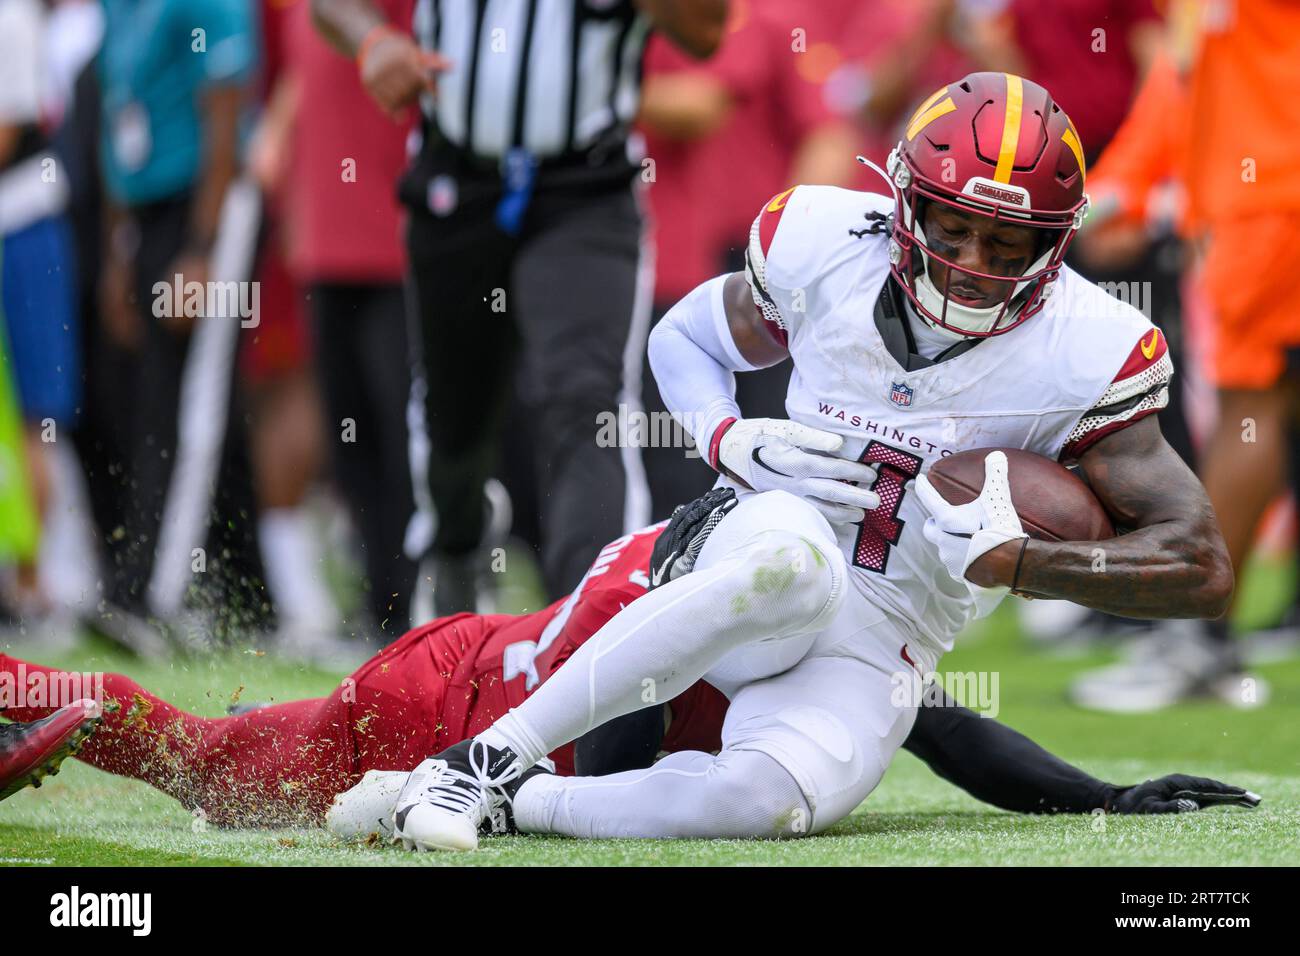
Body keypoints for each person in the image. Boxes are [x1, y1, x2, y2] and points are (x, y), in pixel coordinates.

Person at [384, 72, 1232, 851]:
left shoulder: (1090, 347)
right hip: (754, 538)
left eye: (1010, 245)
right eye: (956, 229)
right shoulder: (827, 244)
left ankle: (518, 802)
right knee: (793, 567)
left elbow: (1200, 566)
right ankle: (483, 760)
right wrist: (727, 437)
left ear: (1055, 243)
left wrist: (1032, 564)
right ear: (904, 202)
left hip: (884, 629)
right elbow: (683, 335)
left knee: (760, 802)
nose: (975, 266)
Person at [0, 503, 1257, 826]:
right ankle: (54, 696)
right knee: (223, 779)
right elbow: (617, 722)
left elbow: (933, 720)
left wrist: (1101, 797)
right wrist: (525, 810)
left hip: (470, 674)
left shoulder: (776, 563)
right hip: (444, 707)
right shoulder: (723, 578)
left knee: (246, 749)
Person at [309, 0, 728, 613]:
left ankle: (592, 622)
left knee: (584, 399)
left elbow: (706, 31)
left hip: (584, 189)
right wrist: (373, 43)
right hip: (458, 181)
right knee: (453, 411)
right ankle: (456, 559)